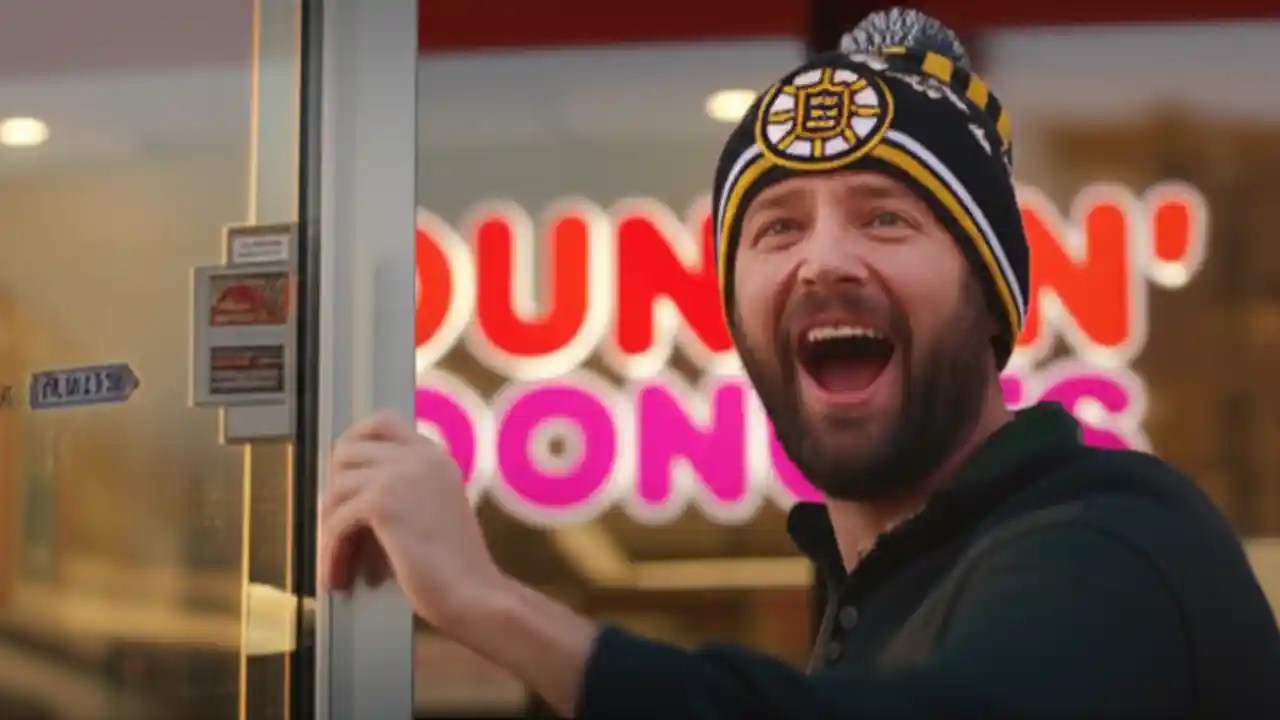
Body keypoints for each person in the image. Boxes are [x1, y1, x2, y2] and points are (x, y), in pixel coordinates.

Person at [319, 7, 1280, 718]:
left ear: (990, 297)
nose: (823, 259)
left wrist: (486, 602)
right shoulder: (872, 596)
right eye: (777, 229)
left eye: (886, 218)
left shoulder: (1111, 539)